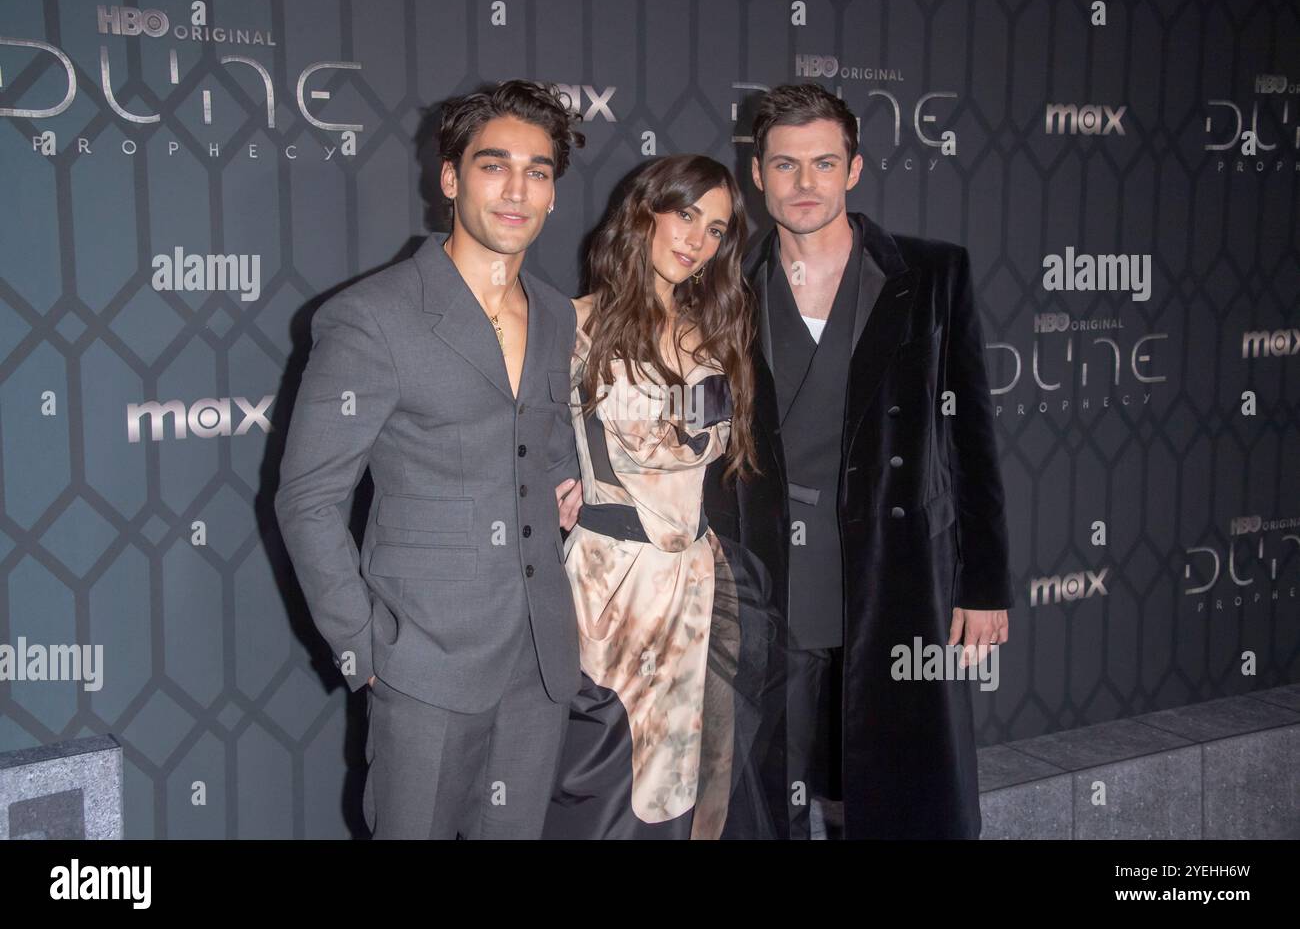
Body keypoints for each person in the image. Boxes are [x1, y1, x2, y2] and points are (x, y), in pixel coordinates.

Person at [274, 80, 587, 839]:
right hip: (423, 660)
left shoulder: (553, 311)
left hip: (539, 656)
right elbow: (307, 500)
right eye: (494, 165)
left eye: (538, 172)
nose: (517, 190)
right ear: (449, 178)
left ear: (552, 194)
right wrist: (364, 646)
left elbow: (534, 441)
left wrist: (555, 486)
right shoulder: (372, 318)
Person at [701, 83, 1014, 839]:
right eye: (785, 165)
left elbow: (972, 438)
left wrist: (984, 583)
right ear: (758, 176)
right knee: (768, 789)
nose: (804, 184)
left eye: (822, 163)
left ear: (855, 169)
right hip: (769, 581)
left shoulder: (934, 277)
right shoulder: (722, 294)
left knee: (893, 791)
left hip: (896, 575)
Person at [542, 155, 786, 839]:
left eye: (715, 229)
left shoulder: (714, 337)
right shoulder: (567, 327)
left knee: (690, 784)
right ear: (645, 212)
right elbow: (519, 440)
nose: (696, 239)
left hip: (697, 588)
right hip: (609, 588)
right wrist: (554, 478)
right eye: (685, 214)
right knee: (603, 785)